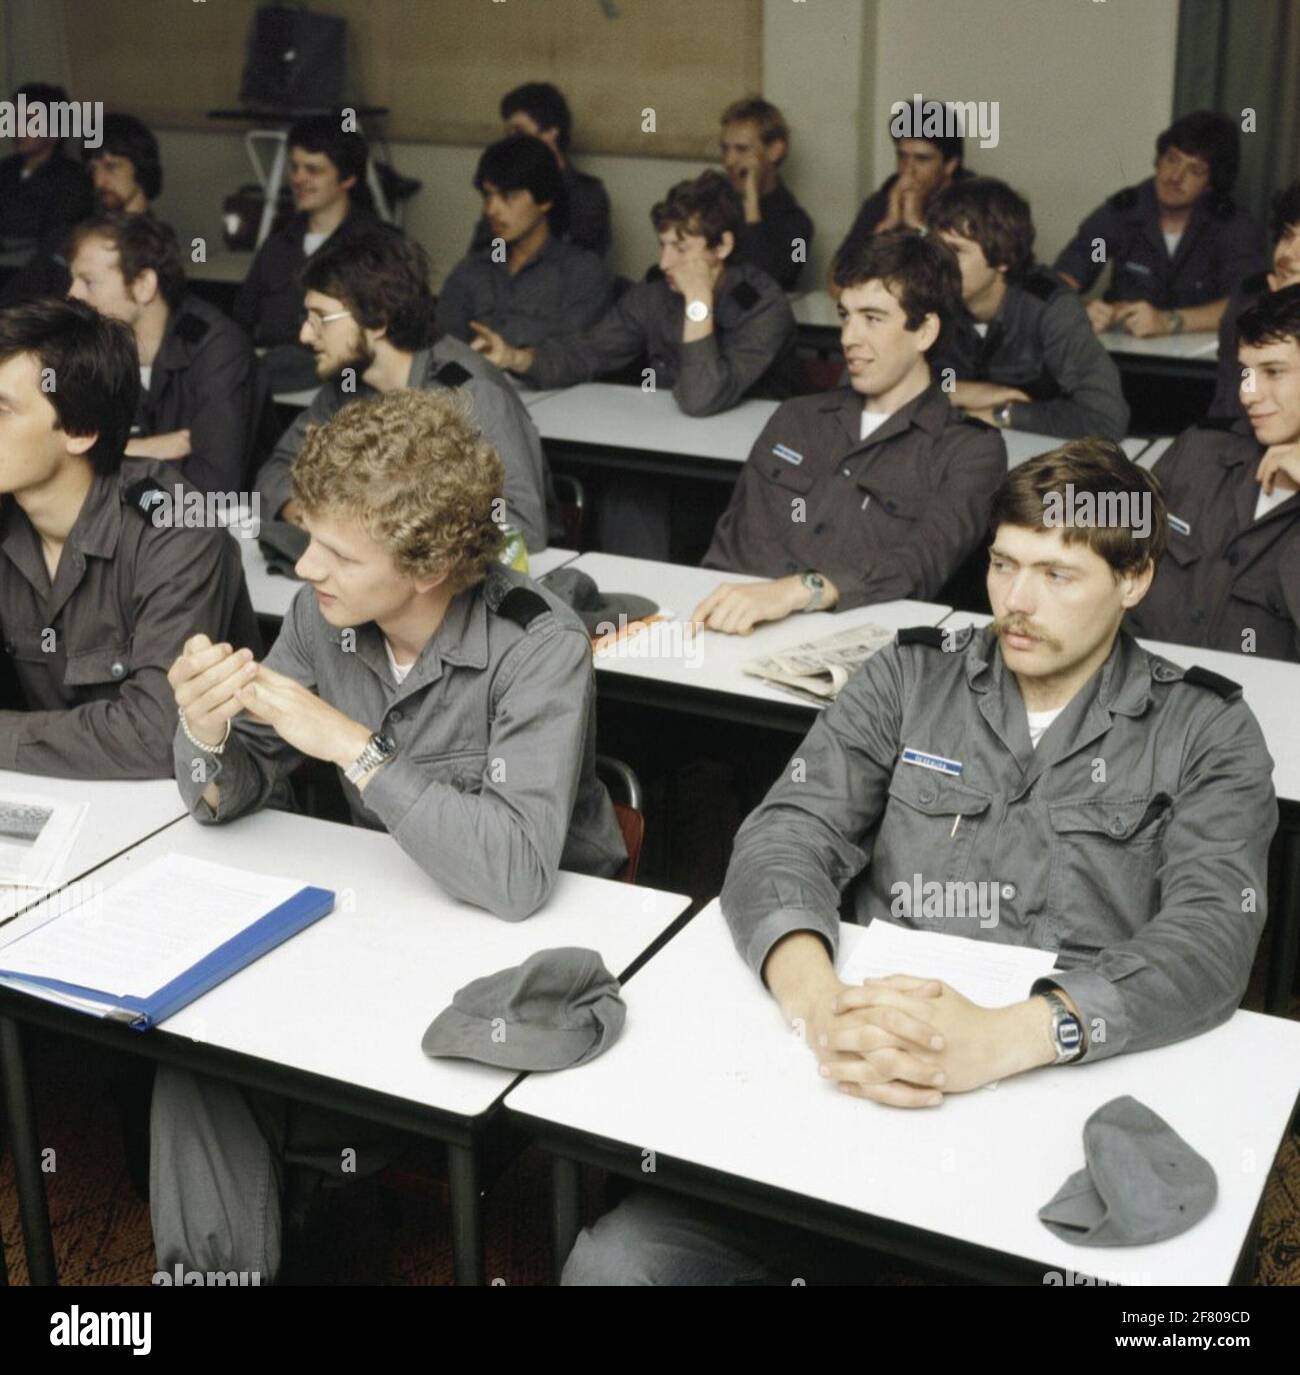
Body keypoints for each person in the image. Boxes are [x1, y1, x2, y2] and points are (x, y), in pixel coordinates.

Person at [563, 437, 1276, 1284]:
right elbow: (784, 834)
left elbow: (1209, 940)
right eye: (1005, 565)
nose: (1016, 601)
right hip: (859, 1062)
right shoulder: (906, 677)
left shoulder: (1207, 730)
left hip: (1051, 1094)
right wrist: (816, 1001)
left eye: (1058, 575)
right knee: (619, 1262)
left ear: (1135, 579)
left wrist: (1006, 1037)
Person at [151, 386, 626, 1280]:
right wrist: (206, 733)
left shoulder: (537, 643)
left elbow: (520, 872)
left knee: (241, 1072)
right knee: (192, 1053)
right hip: (386, 925)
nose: (305, 568)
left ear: (428, 564)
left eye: (338, 551)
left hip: (516, 962)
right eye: (310, 537)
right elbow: (236, 790)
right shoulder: (321, 620)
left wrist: (352, 746)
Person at [694, 230, 1004, 634]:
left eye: (873, 319)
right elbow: (728, 552)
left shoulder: (970, 451)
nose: (848, 338)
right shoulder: (795, 418)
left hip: (856, 650)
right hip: (733, 632)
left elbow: (919, 566)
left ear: (925, 331)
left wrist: (796, 592)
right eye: (845, 316)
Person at [0, 297, 259, 778]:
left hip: (188, 816)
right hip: (50, 797)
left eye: (2, 409)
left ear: (78, 431)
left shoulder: (178, 528)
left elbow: (156, 735)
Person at [254, 228, 556, 554]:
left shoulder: (471, 393)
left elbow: (521, 526)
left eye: (321, 319)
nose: (304, 335)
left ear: (377, 319)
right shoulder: (348, 384)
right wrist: (300, 511)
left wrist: (385, 532)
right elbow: (278, 470)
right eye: (306, 317)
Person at [470, 170, 796, 417]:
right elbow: (590, 352)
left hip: (746, 456)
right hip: (667, 436)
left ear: (723, 246)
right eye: (662, 244)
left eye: (681, 248)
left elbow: (700, 398)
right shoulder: (654, 295)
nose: (664, 262)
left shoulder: (762, 306)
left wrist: (698, 303)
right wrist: (517, 357)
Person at [1126, 284, 1300, 661]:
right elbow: (1116, 559)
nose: (1248, 394)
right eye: (1246, 373)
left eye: (1273, 372)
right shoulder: (1200, 450)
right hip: (1145, 689)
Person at [67, 213, 256, 494]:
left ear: (144, 285)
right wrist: (142, 449)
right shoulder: (92, 344)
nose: (72, 294)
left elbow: (214, 484)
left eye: (89, 282)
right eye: (73, 280)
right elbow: (60, 456)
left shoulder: (219, 348)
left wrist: (106, 456)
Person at [927, 177, 1129, 439]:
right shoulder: (926, 292)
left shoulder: (1051, 307)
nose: (938, 262)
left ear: (1003, 257)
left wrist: (1002, 413)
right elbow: (872, 383)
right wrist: (961, 392)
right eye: (935, 247)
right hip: (953, 450)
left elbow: (1106, 419)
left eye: (955, 251)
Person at [1054, 110, 1264, 337]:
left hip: (1199, 365)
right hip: (1124, 356)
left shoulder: (1231, 225)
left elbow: (1250, 301)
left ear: (1211, 185)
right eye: (1172, 159)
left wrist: (1170, 322)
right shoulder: (1122, 213)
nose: (1175, 177)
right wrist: (1081, 310)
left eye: (1195, 170)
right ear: (1159, 159)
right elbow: (1059, 281)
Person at [232, 116, 379, 393]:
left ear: (347, 178)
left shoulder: (376, 244)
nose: (298, 178)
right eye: (295, 167)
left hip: (347, 387)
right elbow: (242, 318)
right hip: (271, 381)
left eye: (313, 170)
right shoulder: (276, 244)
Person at [435, 134, 612, 348]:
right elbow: (441, 348)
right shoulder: (472, 270)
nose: (491, 210)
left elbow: (575, 359)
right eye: (488, 196)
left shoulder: (581, 273)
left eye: (508, 196)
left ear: (544, 199)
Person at [0, 111, 162, 307]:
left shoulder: (157, 244)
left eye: (111, 167)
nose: (99, 180)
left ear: (141, 168)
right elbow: (15, 296)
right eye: (93, 170)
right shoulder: (67, 236)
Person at [467, 81, 611, 258]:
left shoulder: (586, 194)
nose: (512, 142)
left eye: (519, 132)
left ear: (551, 131)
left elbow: (584, 263)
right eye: (508, 135)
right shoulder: (501, 190)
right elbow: (484, 254)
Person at [1209, 182, 1300, 422]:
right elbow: (1234, 410)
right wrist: (1276, 312)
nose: (1289, 253)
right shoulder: (1251, 300)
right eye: (1288, 235)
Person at [833, 102, 970, 263]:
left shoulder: (977, 205)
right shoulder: (883, 200)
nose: (908, 170)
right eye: (902, 156)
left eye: (922, 159)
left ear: (950, 165)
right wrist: (887, 226)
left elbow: (966, 282)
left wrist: (918, 226)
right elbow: (836, 284)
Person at [718, 97, 814, 290]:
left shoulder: (799, 226)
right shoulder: (712, 200)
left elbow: (771, 284)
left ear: (775, 151)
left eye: (741, 149)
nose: (729, 160)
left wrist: (751, 207)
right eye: (725, 149)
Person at [0, 82, 94, 245]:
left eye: (29, 121)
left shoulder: (73, 179)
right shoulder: (6, 168)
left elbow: (56, 237)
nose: (17, 128)